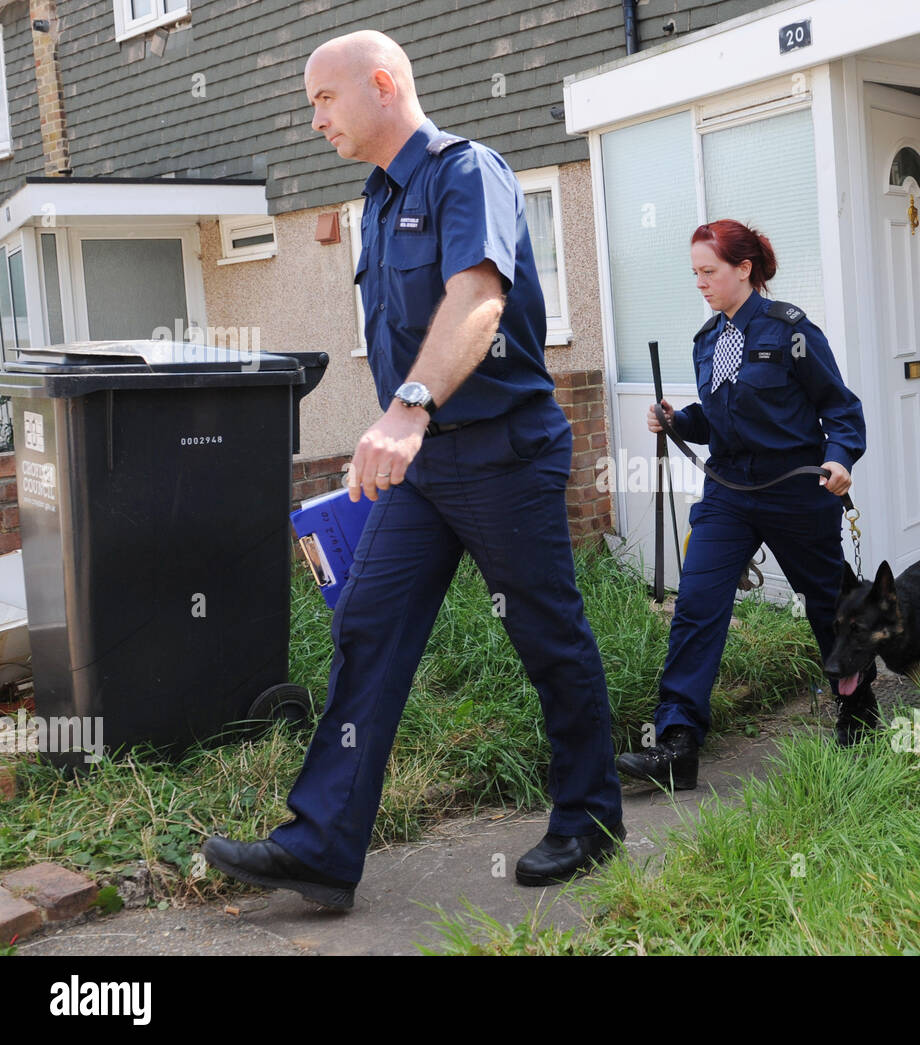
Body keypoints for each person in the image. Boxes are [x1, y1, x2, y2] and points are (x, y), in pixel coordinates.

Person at [203, 30, 623, 907]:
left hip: (503, 448)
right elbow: (409, 332)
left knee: (547, 637)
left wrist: (409, 407)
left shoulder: (468, 171)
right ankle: (322, 845)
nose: (313, 118)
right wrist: (397, 422)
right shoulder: (376, 196)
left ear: (384, 84)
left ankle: (589, 817)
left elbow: (479, 296)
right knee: (366, 627)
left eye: (324, 99)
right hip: (427, 465)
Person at [616, 220, 875, 790]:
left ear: (744, 269)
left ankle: (858, 709)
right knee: (698, 605)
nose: (701, 283)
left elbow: (841, 408)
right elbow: (716, 419)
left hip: (795, 492)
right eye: (695, 274)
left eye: (709, 272)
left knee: (825, 603)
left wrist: (840, 459)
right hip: (729, 492)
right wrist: (676, 420)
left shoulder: (792, 333)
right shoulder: (707, 339)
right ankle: (678, 743)